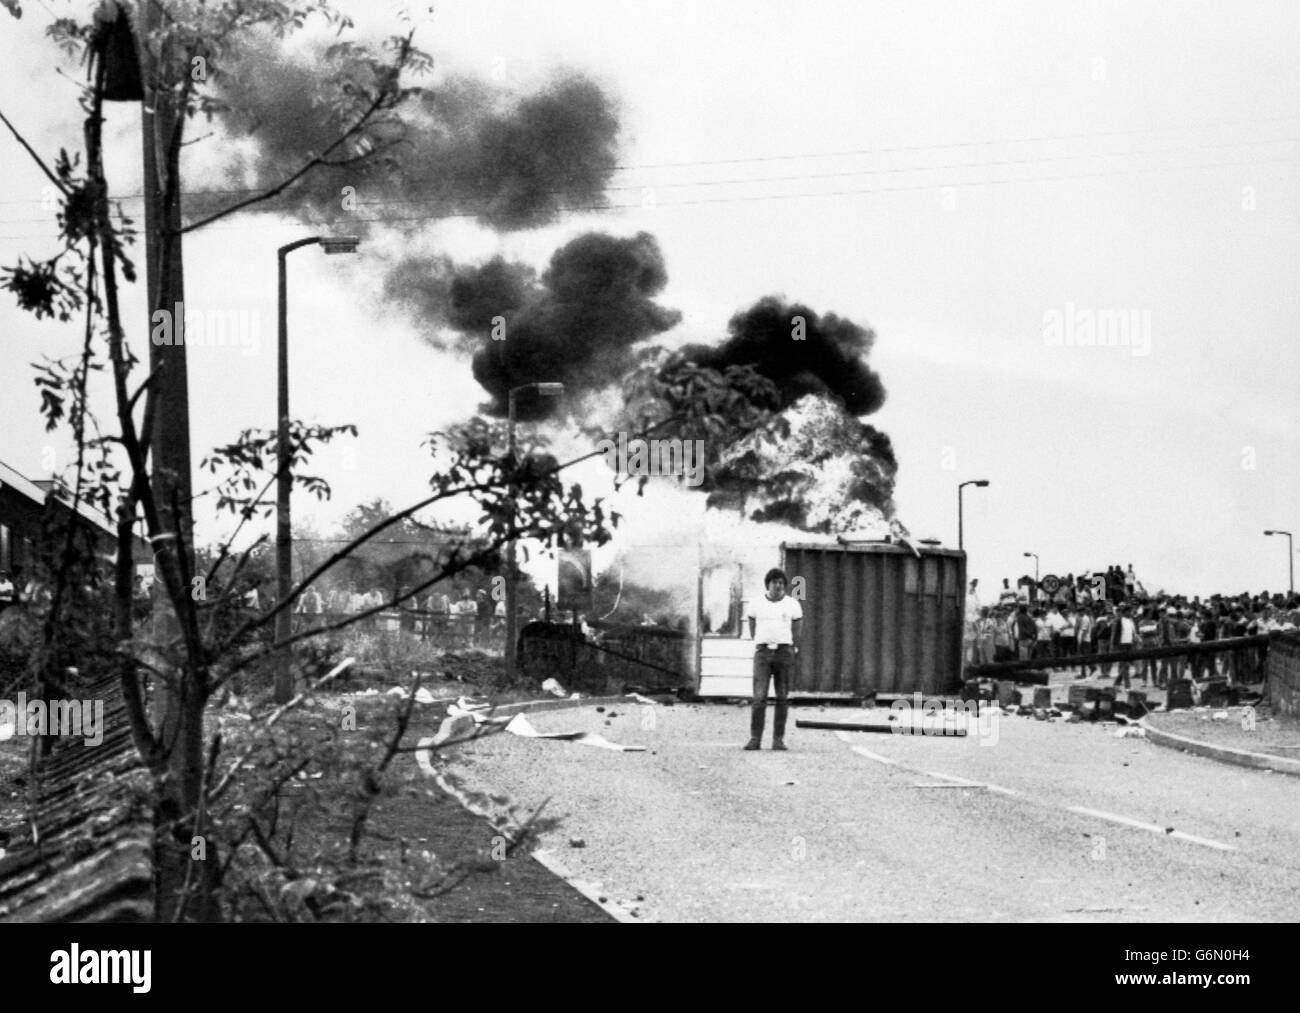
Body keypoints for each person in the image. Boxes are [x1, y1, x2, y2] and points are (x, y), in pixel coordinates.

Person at [744, 568, 803, 751]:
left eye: (781, 583)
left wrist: (790, 647)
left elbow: (797, 628)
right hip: (762, 653)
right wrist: (761, 642)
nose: (777, 586)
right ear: (767, 584)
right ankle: (755, 739)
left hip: (783, 653)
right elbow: (752, 626)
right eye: (774, 582)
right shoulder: (756, 603)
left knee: (782, 696)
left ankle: (778, 739)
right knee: (759, 697)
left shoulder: (792, 604)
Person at [1112, 604, 1138, 690]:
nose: (1131, 613)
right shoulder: (1120, 621)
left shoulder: (1131, 621)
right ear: (1125, 612)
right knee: (1125, 666)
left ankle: (1116, 684)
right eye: (1129, 611)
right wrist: (1114, 646)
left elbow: (1134, 633)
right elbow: (1115, 634)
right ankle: (1128, 686)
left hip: (1129, 645)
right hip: (1121, 645)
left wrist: (1136, 641)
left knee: (1126, 666)